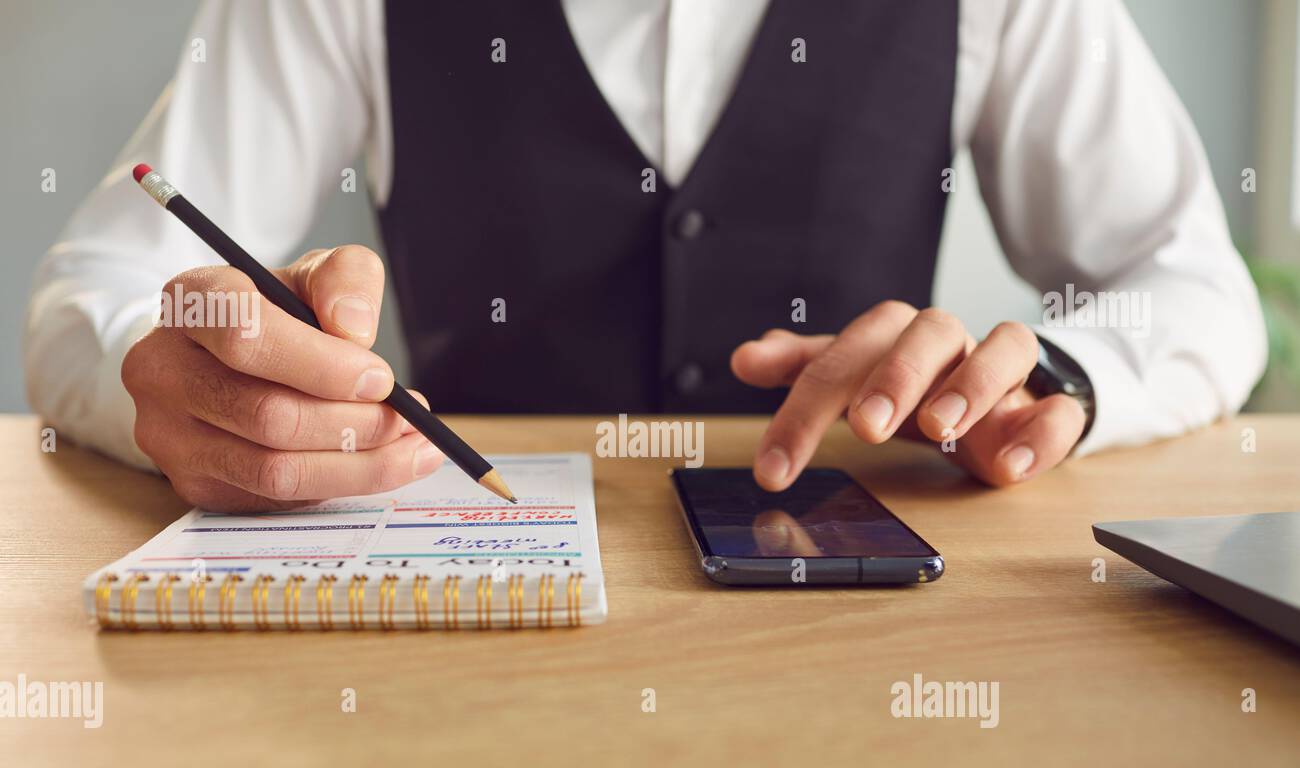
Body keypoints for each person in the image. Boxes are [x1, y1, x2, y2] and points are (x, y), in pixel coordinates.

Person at [24, 0, 1265, 512]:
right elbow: (101, 284)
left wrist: (1056, 369)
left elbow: (1196, 288)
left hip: (870, 653)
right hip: (469, 650)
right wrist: (183, 379)